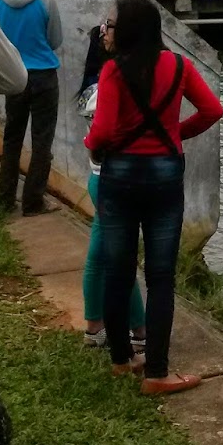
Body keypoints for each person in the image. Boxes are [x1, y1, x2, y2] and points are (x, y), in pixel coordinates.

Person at [84, 0, 223, 396]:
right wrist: (175, 134)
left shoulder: (113, 71)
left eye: (110, 24)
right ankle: (157, 372)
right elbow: (212, 110)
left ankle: (121, 360)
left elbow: (103, 131)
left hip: (119, 175)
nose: (105, 30)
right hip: (164, 174)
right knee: (161, 277)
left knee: (119, 269)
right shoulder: (178, 66)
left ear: (127, 29)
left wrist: (93, 145)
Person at [77, 18, 146, 357]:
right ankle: (138, 330)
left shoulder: (90, 91)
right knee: (119, 258)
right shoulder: (111, 87)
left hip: (98, 177)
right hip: (115, 179)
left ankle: (97, 326)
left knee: (101, 254)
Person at [0, 0, 64, 215]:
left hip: (13, 76)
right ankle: (33, 201)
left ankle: (5, 199)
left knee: (12, 137)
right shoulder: (47, 3)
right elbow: (55, 41)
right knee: (42, 140)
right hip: (44, 76)